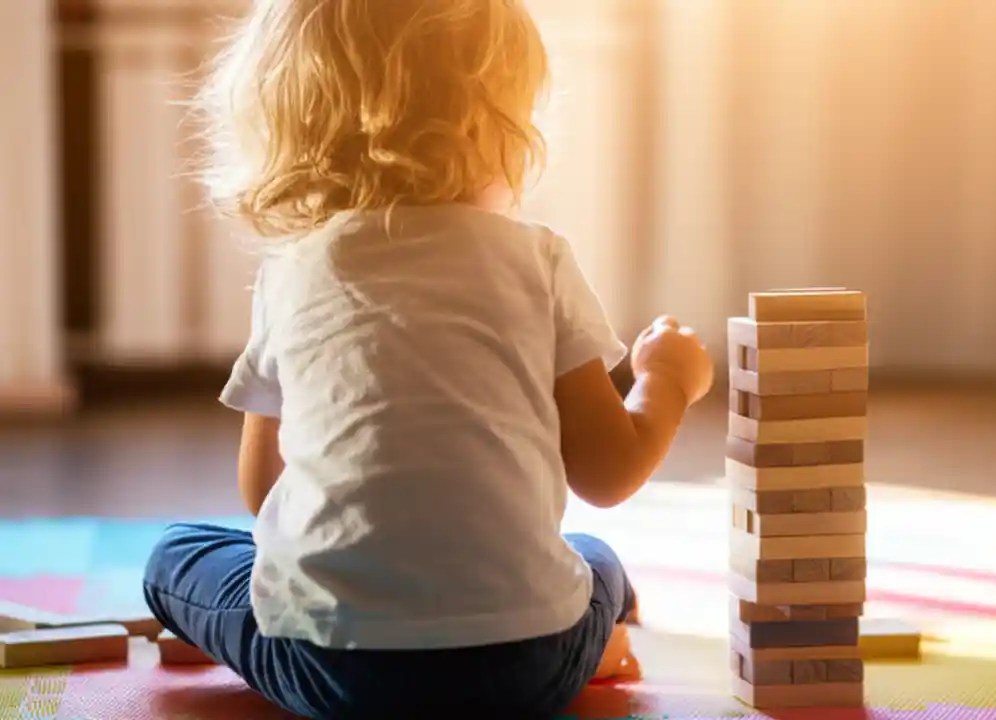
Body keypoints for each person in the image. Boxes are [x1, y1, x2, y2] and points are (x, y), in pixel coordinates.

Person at [141, 1, 714, 717]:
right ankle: (603, 633)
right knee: (591, 554)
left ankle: (235, 637)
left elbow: (264, 494)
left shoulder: (294, 272)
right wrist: (665, 379)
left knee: (175, 553)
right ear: (497, 124)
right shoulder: (537, 261)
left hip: (334, 674)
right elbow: (609, 472)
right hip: (527, 667)